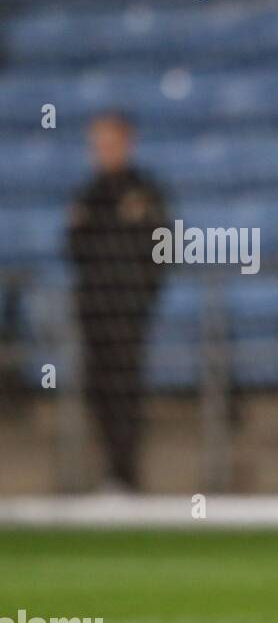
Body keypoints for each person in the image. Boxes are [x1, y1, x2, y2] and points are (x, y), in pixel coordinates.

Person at [66, 111, 169, 492]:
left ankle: (127, 475)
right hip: (93, 310)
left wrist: (140, 293)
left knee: (127, 389)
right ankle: (111, 473)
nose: (102, 151)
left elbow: (162, 247)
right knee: (98, 390)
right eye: (98, 143)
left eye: (109, 142)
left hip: (128, 311)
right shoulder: (88, 193)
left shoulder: (145, 191)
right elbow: (75, 247)